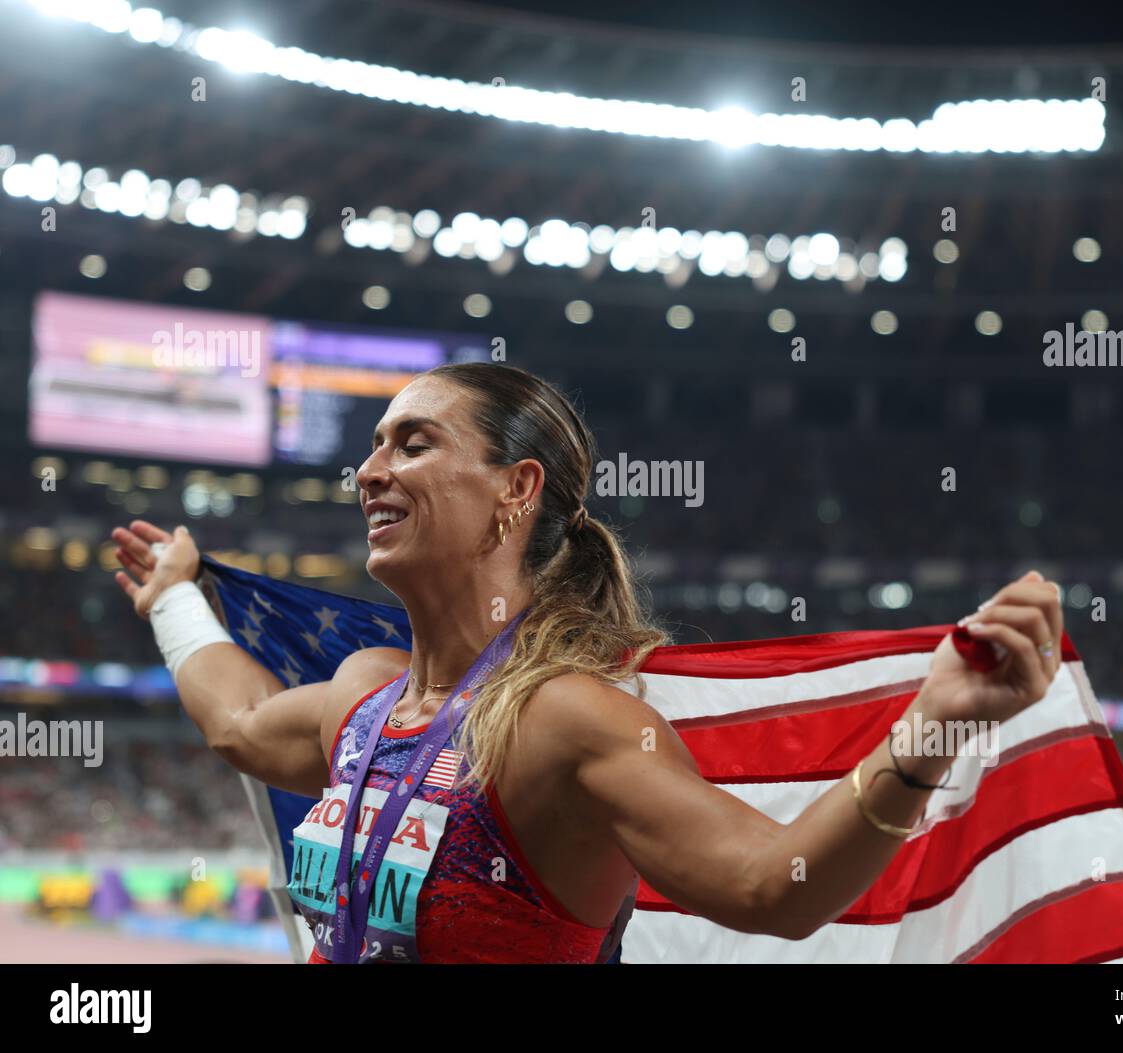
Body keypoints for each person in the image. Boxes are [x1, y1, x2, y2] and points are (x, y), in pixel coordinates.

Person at [110, 362, 1063, 963]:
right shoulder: (364, 694)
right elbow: (236, 720)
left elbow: (777, 885)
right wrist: (175, 599)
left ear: (515, 491)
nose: (369, 471)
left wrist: (936, 724)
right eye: (371, 447)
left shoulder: (567, 720)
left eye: (413, 442)